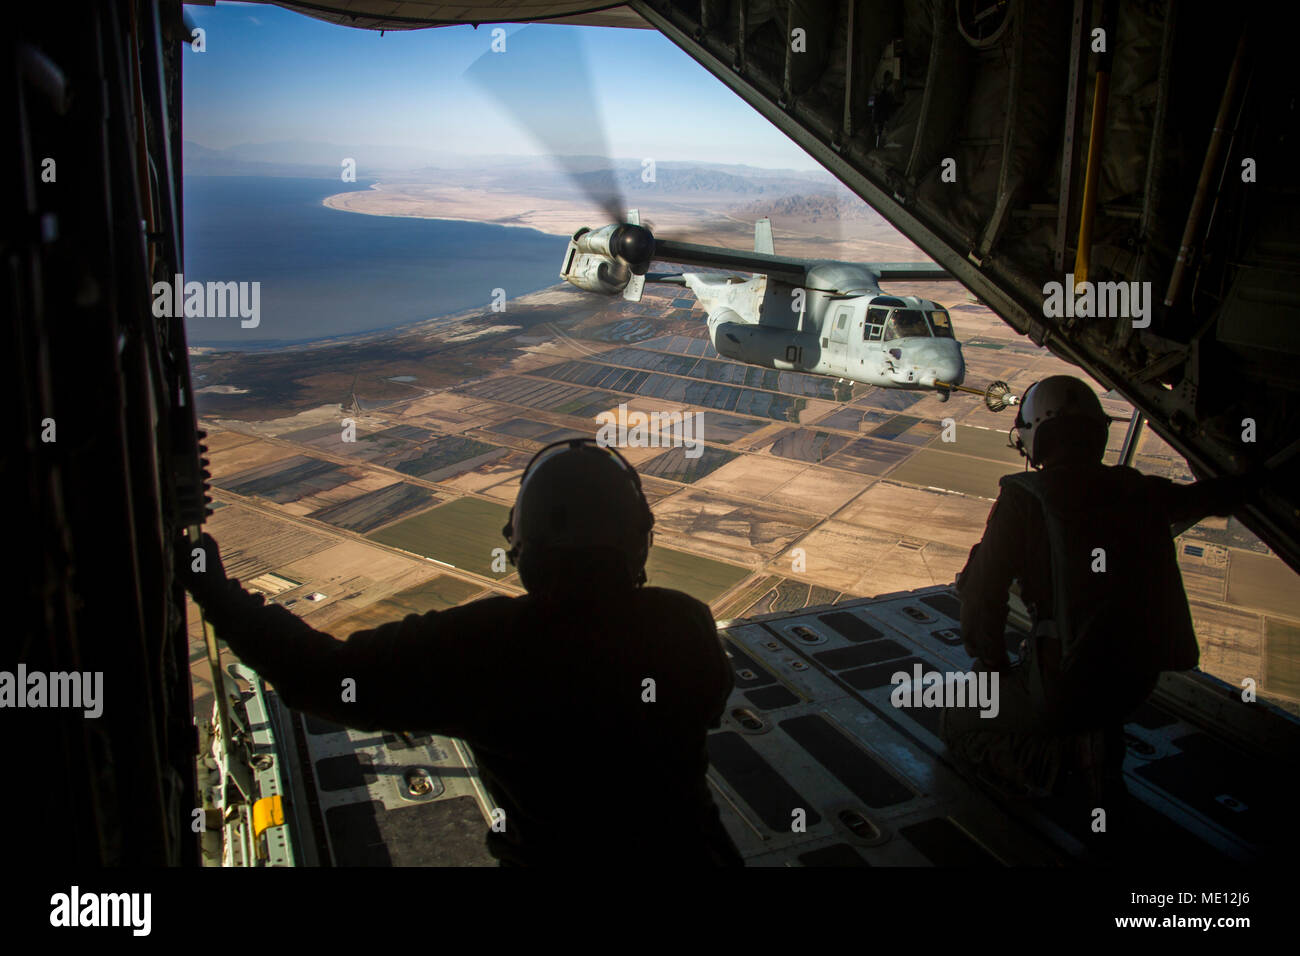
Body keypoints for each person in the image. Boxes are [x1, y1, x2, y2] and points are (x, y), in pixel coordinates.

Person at [185, 438, 744, 867]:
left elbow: (319, 677)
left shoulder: (484, 645)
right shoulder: (684, 622)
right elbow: (707, 704)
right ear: (639, 537)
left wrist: (217, 591)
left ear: (523, 545)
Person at [941, 375, 1257, 801]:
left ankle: (1057, 772)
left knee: (957, 716)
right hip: (1132, 688)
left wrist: (994, 670)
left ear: (1036, 438)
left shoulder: (1024, 499)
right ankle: (1088, 742)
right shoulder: (1139, 490)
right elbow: (1212, 499)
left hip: (1063, 688)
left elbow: (982, 599)